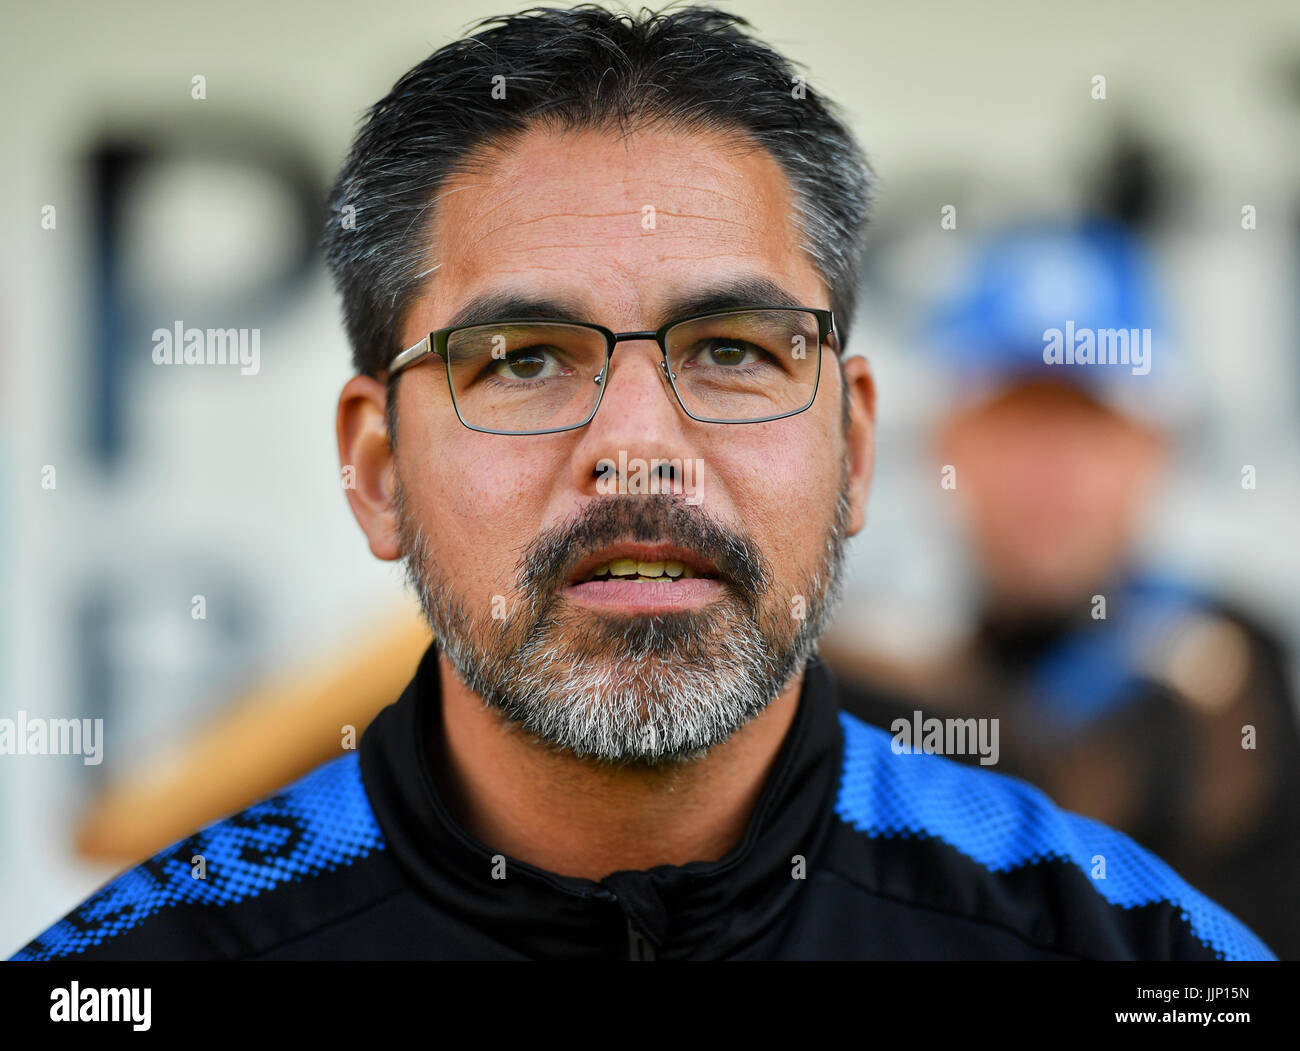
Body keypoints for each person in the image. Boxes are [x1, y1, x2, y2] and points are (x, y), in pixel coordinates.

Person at [10, 6, 1275, 961]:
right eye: (519, 362)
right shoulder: (122, 969)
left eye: (730, 351)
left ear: (859, 449)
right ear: (377, 469)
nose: (636, 450)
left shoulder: (1163, 929)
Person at [831, 222, 1300, 958]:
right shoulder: (878, 663)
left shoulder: (1225, 665)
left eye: (1088, 428)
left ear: (1155, 452)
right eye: (1016, 425)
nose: (1050, 474)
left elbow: (1063, 792)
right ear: (949, 445)